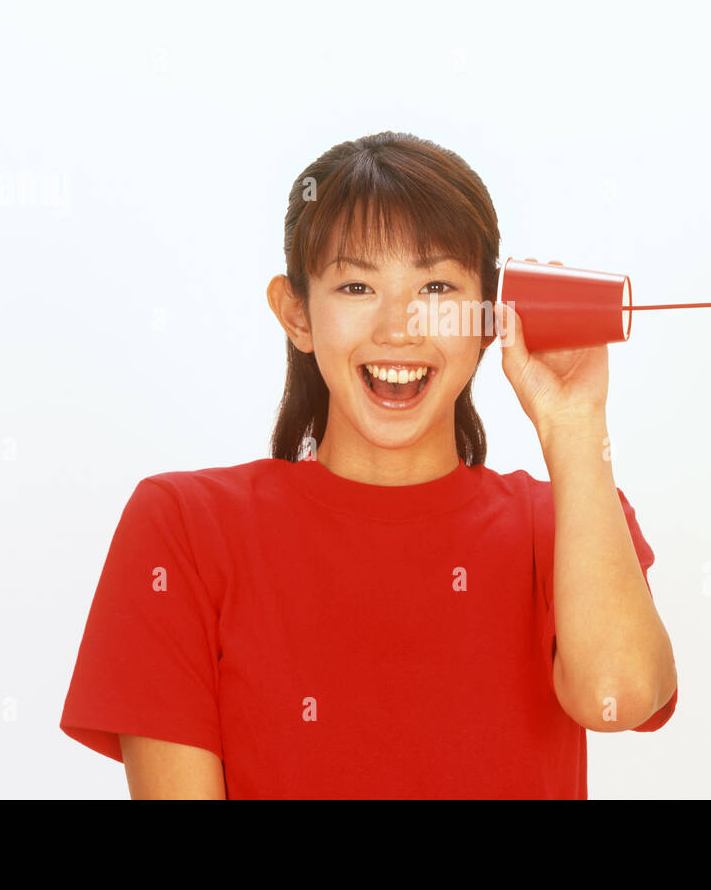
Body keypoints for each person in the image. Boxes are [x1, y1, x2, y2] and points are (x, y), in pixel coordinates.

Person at [59, 131, 678, 799]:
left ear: (492, 317)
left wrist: (574, 423)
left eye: (436, 285)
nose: (397, 328)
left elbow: (620, 694)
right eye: (356, 285)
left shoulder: (563, 524)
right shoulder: (184, 527)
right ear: (297, 312)